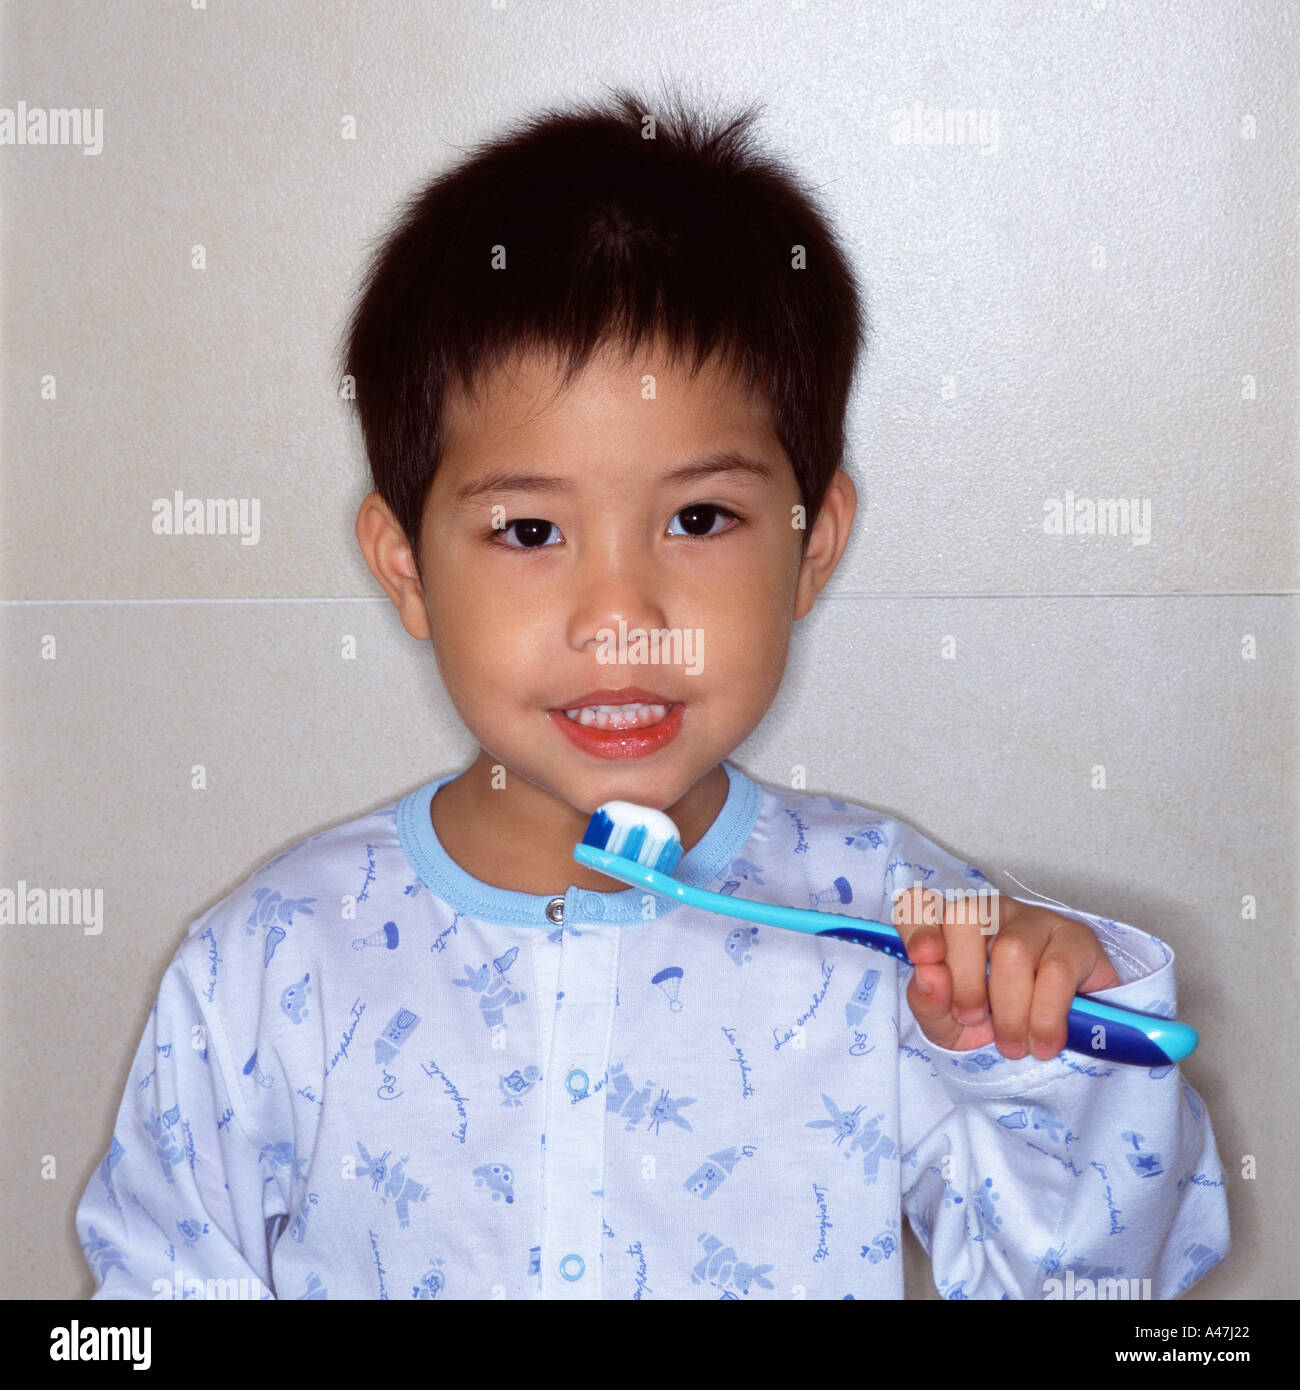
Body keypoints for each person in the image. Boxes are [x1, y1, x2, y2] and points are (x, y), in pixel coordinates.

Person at [75, 86, 1228, 1300]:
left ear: (812, 544)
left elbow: (1095, 1298)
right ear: (406, 567)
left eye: (698, 518)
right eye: (528, 529)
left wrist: (1045, 1061)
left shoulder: (906, 928)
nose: (620, 618)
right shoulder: (267, 963)